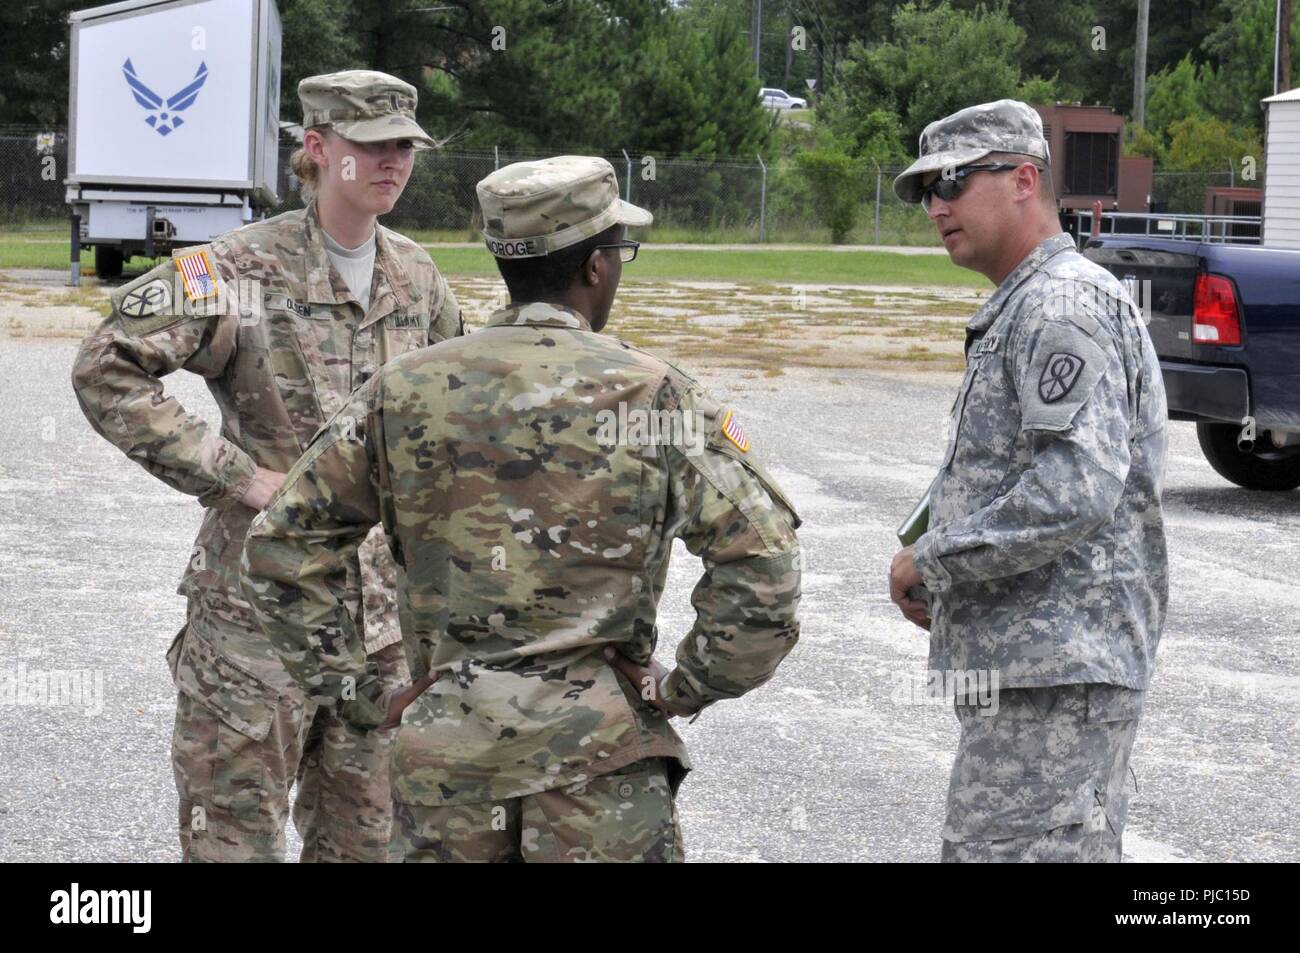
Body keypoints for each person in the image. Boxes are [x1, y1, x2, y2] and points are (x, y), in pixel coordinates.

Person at [240, 155, 802, 863]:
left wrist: (354, 689)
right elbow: (764, 558)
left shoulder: (405, 388)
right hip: (602, 777)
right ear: (597, 267)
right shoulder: (651, 394)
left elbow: (281, 548)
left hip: (447, 772)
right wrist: (688, 683)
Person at [71, 69, 462, 862]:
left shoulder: (419, 279)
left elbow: (452, 421)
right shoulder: (231, 268)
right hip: (256, 621)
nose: (392, 162)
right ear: (316, 150)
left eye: (404, 148)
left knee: (369, 846)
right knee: (233, 844)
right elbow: (104, 364)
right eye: (372, 146)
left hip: (378, 632)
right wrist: (235, 474)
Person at [887, 100, 1168, 863]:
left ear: (1022, 178)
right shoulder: (1026, 303)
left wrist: (938, 559)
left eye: (952, 180)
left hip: (1059, 682)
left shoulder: (1059, 304)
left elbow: (1076, 486)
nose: (936, 204)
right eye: (924, 192)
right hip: (1035, 676)